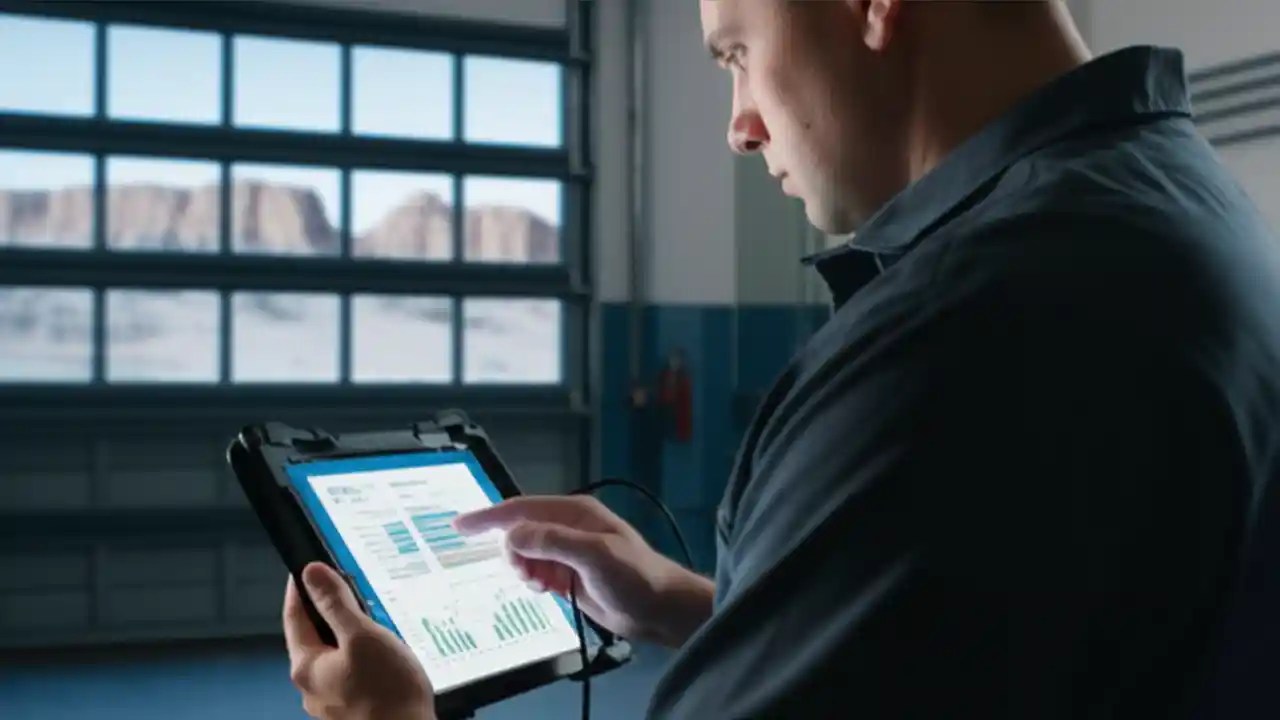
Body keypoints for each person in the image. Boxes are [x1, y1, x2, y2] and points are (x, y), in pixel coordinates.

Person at [282, 1, 1280, 718]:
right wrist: (701, 607)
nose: (739, 126)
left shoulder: (961, 334)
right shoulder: (1170, 201)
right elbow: (1008, 633)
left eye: (737, 53)